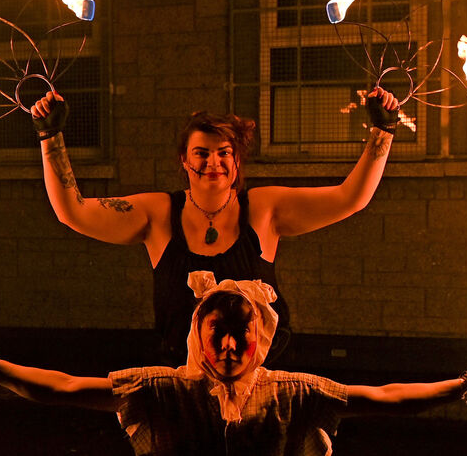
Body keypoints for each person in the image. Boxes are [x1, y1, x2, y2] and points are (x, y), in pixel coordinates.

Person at [0, 271, 467, 455]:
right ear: (199, 335)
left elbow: (384, 398)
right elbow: (68, 388)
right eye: (221, 333)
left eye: (244, 335)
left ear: (261, 340)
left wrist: (464, 383)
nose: (232, 347)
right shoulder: (162, 390)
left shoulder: (296, 393)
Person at [31, 87, 402, 363]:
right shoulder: (159, 213)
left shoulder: (262, 209)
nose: (214, 162)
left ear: (237, 161)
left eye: (224, 153)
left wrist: (383, 130)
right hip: (183, 384)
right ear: (184, 160)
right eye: (202, 153)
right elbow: (73, 212)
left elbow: (350, 198)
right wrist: (51, 138)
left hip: (259, 383)